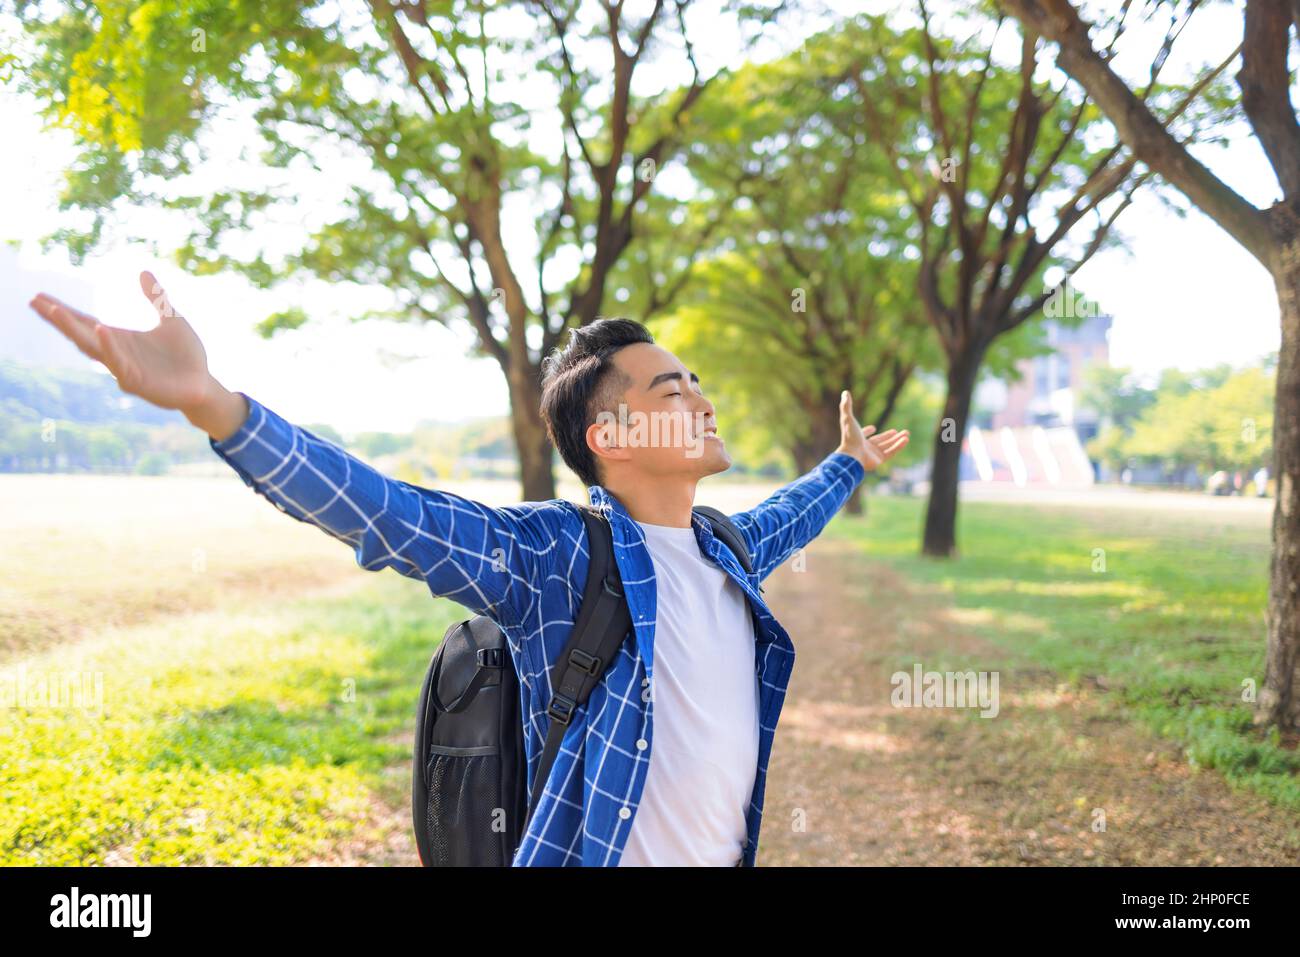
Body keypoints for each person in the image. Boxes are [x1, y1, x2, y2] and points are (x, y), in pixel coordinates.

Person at [28, 271, 908, 867]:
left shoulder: (729, 550)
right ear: (611, 439)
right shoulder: (558, 560)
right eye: (673, 391)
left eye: (697, 381)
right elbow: (392, 515)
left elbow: (792, 514)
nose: (704, 399)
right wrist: (217, 407)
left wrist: (847, 463)